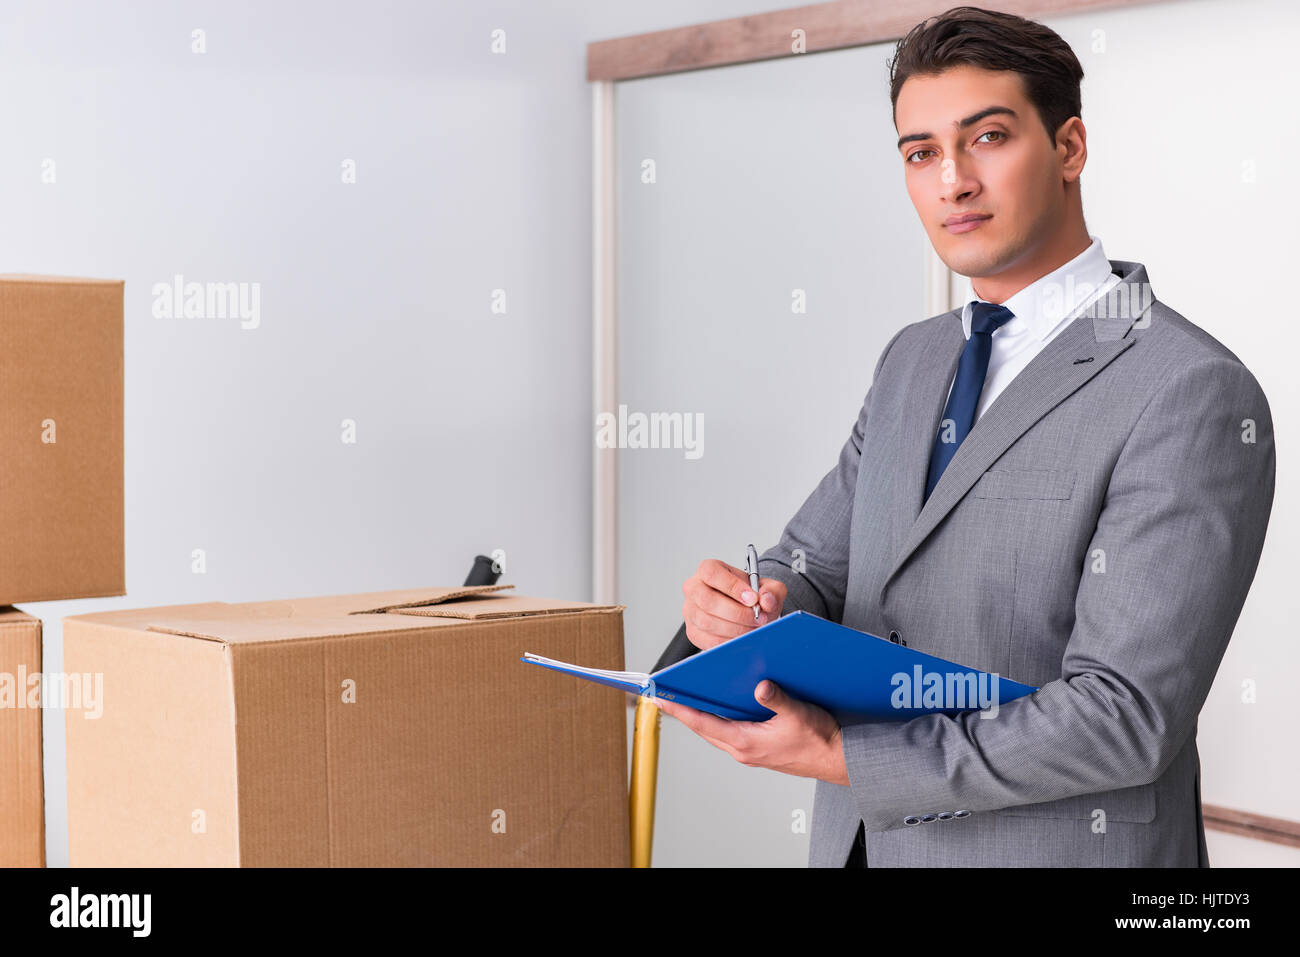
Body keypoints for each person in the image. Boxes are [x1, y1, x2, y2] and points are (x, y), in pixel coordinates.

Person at [663, 5, 1276, 867]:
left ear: (1069, 148)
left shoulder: (1190, 389)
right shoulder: (912, 360)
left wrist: (847, 758)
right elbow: (819, 568)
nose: (951, 180)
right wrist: (748, 608)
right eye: (920, 153)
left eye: (987, 137)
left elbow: (1126, 715)